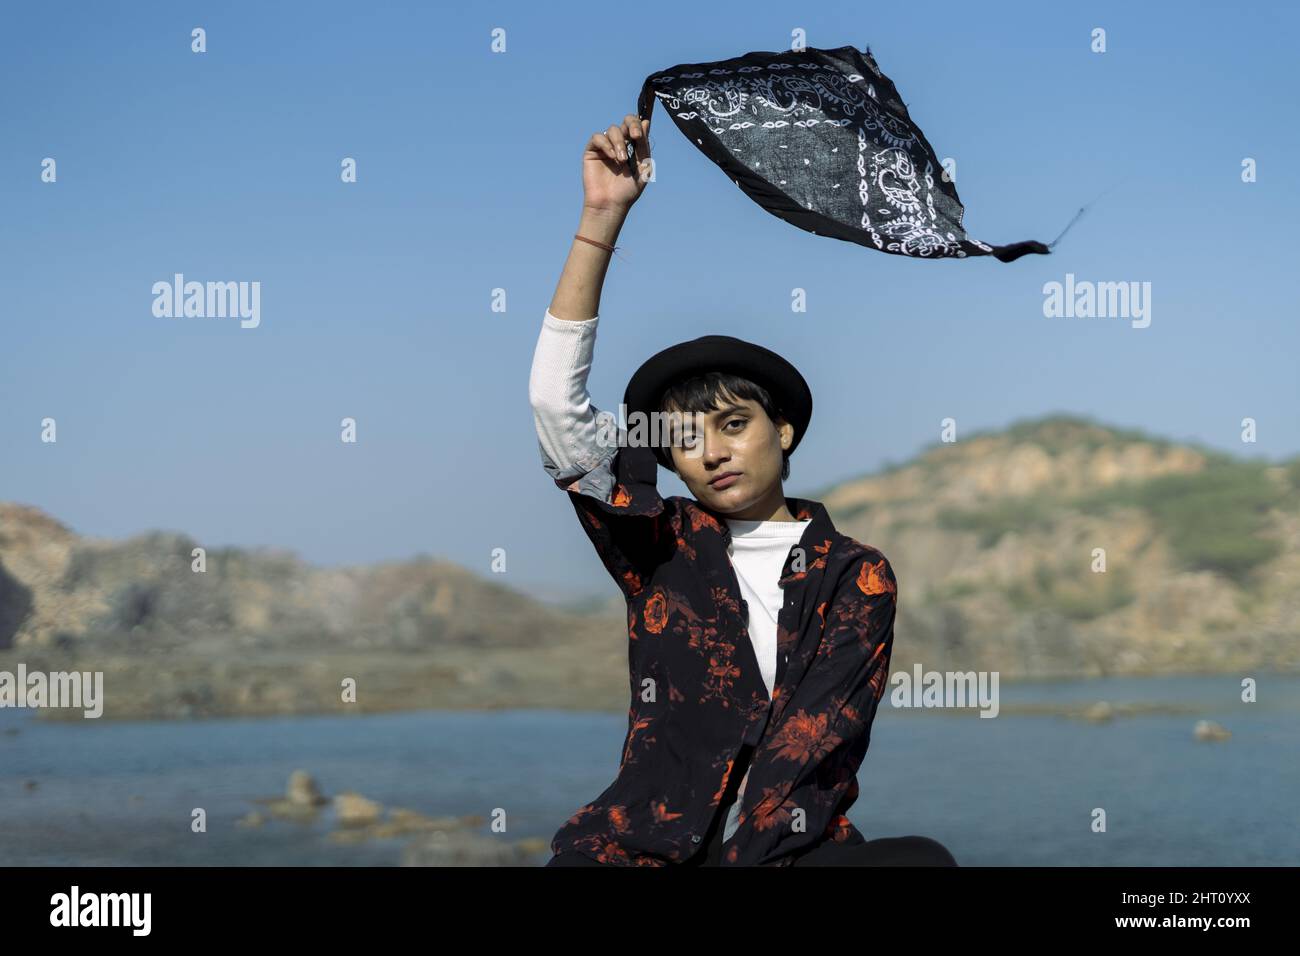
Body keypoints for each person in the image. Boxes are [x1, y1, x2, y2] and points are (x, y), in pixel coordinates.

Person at [529, 114, 956, 868]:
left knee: (921, 861)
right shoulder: (659, 546)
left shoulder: (856, 574)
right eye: (686, 437)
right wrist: (602, 216)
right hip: (638, 850)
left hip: (786, 856)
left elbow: (813, 741)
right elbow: (557, 412)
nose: (713, 452)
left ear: (781, 431)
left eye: (733, 423)